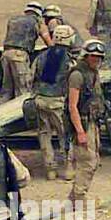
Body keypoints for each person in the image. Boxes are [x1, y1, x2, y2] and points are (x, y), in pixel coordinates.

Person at [32, 24, 76, 180]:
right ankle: (68, 167)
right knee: (65, 135)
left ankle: (50, 169)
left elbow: (33, 77)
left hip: (41, 100)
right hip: (58, 102)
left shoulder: (42, 56)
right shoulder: (70, 60)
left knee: (44, 135)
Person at [65, 39, 107, 203]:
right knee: (87, 162)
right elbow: (72, 107)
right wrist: (80, 131)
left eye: (99, 57)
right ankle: (79, 197)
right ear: (86, 56)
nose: (96, 60)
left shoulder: (93, 73)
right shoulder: (77, 75)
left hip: (92, 121)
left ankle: (75, 196)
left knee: (93, 160)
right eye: (93, 56)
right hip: (82, 123)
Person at [0, 2, 50, 100]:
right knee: (23, 88)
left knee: (6, 89)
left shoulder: (13, 19)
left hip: (6, 54)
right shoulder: (36, 22)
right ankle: (21, 113)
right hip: (20, 55)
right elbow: (48, 40)